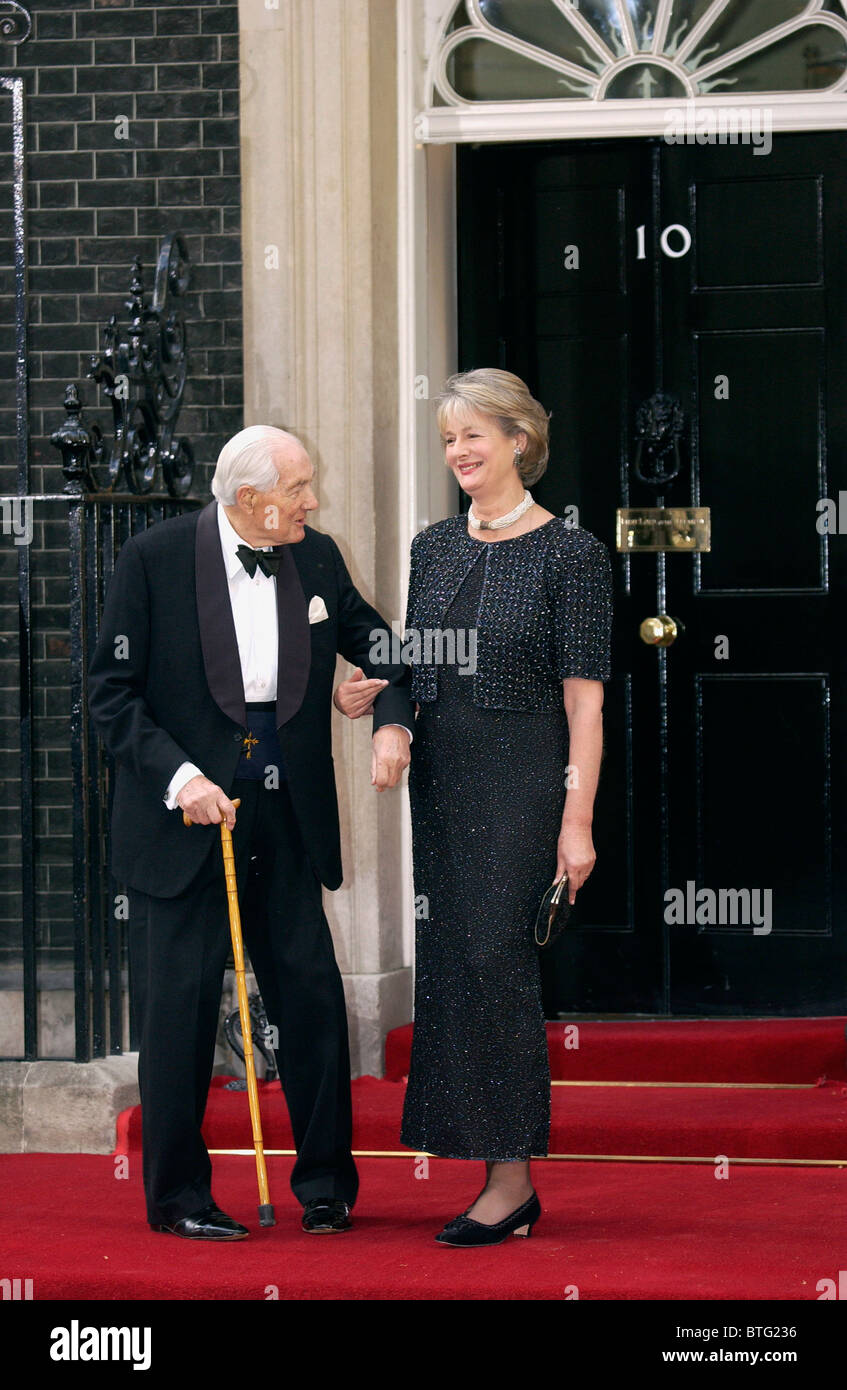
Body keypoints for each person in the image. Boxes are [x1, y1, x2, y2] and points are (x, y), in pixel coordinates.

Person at [88, 424, 413, 1240]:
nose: (313, 501)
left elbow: (380, 644)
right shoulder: (154, 559)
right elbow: (110, 695)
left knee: (308, 999)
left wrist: (387, 717)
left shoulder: (317, 555)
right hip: (184, 817)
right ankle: (178, 1200)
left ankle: (327, 1186)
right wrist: (181, 778)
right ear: (247, 501)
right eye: (299, 489)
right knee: (179, 1011)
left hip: (285, 814)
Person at [338, 369, 612, 1245]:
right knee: (458, 967)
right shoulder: (433, 548)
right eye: (448, 438)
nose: (458, 452)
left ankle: (511, 1182)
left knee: (497, 963)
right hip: (445, 784)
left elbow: (585, 705)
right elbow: (416, 668)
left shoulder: (572, 553)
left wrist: (576, 820)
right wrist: (382, 707)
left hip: (525, 778)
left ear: (519, 442)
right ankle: (494, 1168)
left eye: (474, 436)